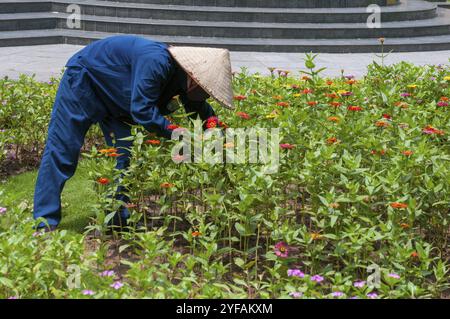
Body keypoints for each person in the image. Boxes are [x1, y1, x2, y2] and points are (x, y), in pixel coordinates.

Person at [33, 35, 234, 231]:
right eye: (205, 87)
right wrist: (176, 132)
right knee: (63, 148)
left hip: (117, 100)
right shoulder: (156, 62)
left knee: (125, 157)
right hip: (84, 82)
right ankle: (45, 221)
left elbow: (201, 112)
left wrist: (221, 140)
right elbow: (142, 110)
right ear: (195, 76)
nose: (205, 92)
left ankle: (116, 218)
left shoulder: (186, 80)